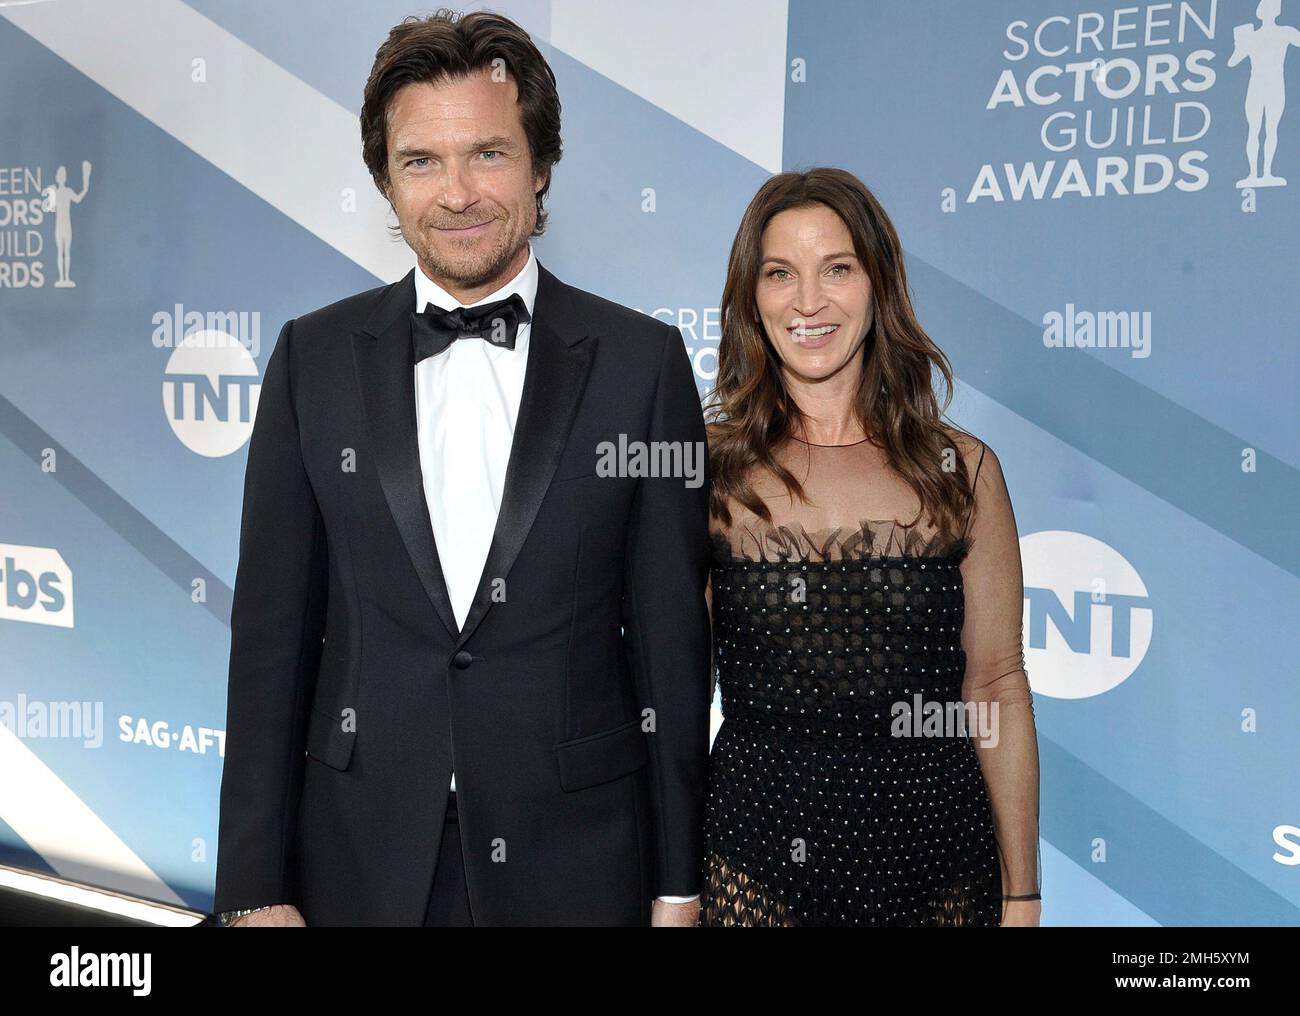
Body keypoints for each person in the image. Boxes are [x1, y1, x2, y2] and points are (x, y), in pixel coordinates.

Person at [213, 9, 710, 927]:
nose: (457, 193)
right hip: (355, 859)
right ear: (385, 180)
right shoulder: (310, 361)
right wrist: (253, 889)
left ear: (540, 165)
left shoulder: (641, 366)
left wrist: (678, 885)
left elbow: (671, 649)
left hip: (578, 860)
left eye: (487, 153)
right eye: (420, 161)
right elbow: (271, 644)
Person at [698, 168, 1041, 926]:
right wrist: (671, 891)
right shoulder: (707, 471)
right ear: (751, 297)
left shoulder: (961, 469)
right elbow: (675, 695)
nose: (808, 301)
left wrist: (1022, 894)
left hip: (940, 871)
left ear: (878, 285)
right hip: (755, 869)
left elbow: (995, 687)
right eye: (780, 273)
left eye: (837, 269)